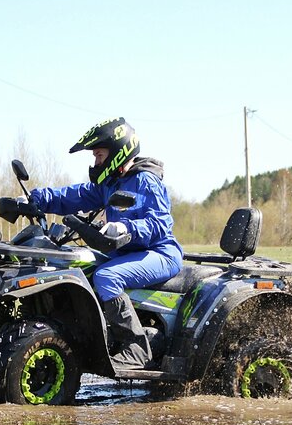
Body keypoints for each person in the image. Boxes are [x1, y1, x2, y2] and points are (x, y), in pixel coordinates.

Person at [25, 117, 183, 370]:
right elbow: (76, 195)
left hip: (160, 253)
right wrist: (35, 199)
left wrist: (126, 227)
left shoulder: (146, 181)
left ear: (119, 152)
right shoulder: (111, 184)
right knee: (80, 267)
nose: (96, 163)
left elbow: (160, 225)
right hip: (127, 253)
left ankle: (136, 348)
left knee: (107, 277)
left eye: (99, 156)